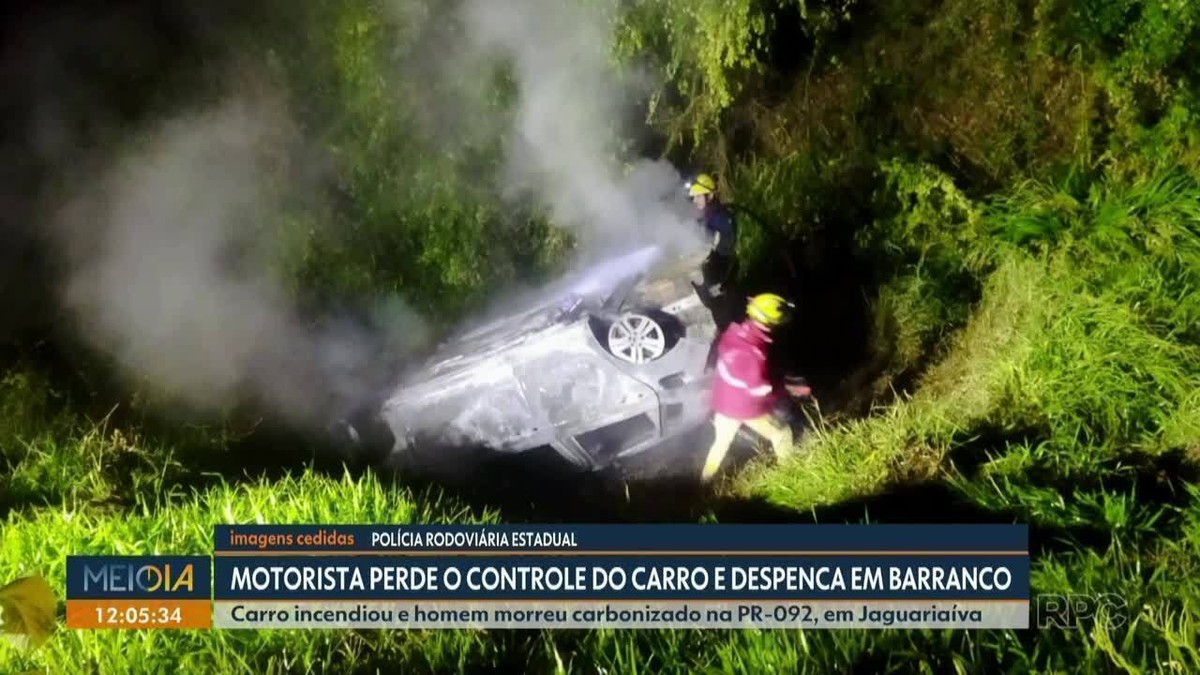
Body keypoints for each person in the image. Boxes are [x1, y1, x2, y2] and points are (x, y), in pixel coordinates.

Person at [700, 292, 813, 483]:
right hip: (744, 408)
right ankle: (790, 474)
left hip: (722, 403)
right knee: (782, 433)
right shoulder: (755, 353)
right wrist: (788, 389)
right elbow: (760, 389)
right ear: (772, 322)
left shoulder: (733, 332)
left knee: (720, 444)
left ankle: (704, 481)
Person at [685, 173, 737, 295]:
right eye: (694, 197)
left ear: (710, 195)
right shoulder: (711, 216)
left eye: (698, 196)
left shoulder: (719, 217)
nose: (694, 200)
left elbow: (728, 251)